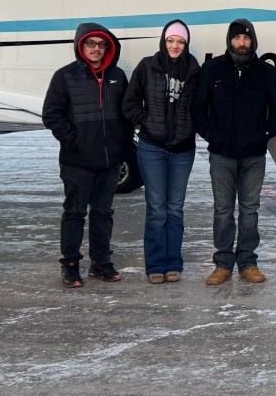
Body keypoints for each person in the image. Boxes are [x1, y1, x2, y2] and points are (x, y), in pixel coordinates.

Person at [191, 19, 276, 286]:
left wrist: (264, 135)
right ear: (229, 40)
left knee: (249, 210)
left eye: (246, 39)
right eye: (237, 39)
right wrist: (210, 134)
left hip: (254, 155)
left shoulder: (264, 72)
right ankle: (222, 263)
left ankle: (247, 263)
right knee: (222, 210)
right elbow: (198, 107)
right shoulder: (212, 69)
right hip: (222, 155)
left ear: (252, 40)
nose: (241, 44)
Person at [42, 23, 132, 288]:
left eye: (101, 44)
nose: (96, 49)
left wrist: (121, 144)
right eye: (90, 44)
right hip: (77, 161)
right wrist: (74, 141)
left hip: (109, 160)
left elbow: (126, 114)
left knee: (103, 213)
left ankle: (100, 262)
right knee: (74, 213)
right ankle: (70, 264)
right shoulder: (65, 76)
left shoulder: (117, 76)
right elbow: (52, 115)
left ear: (107, 48)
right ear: (81, 47)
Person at [123, 20, 200, 284]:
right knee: (156, 207)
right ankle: (155, 264)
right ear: (163, 41)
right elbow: (130, 103)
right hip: (151, 147)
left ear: (186, 44)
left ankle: (173, 263)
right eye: (170, 40)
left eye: (180, 41)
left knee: (175, 208)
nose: (175, 46)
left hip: (182, 150)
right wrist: (146, 121)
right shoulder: (147, 66)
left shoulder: (194, 69)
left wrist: (192, 127)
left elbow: (200, 106)